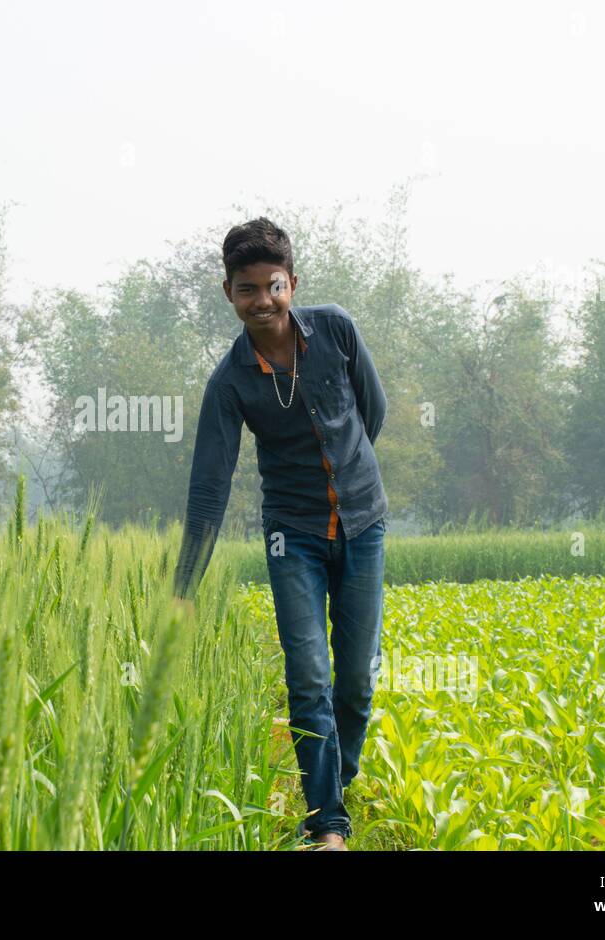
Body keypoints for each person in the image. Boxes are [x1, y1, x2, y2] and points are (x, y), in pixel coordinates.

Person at [171, 217, 389, 852]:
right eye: (246, 289)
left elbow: (371, 411)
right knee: (308, 678)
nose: (261, 301)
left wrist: (348, 479)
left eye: (272, 286)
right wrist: (184, 583)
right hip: (290, 538)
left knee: (356, 681)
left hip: (365, 525)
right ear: (228, 293)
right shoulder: (230, 382)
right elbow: (210, 486)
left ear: (292, 282)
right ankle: (328, 826)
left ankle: (334, 786)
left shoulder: (338, 331)